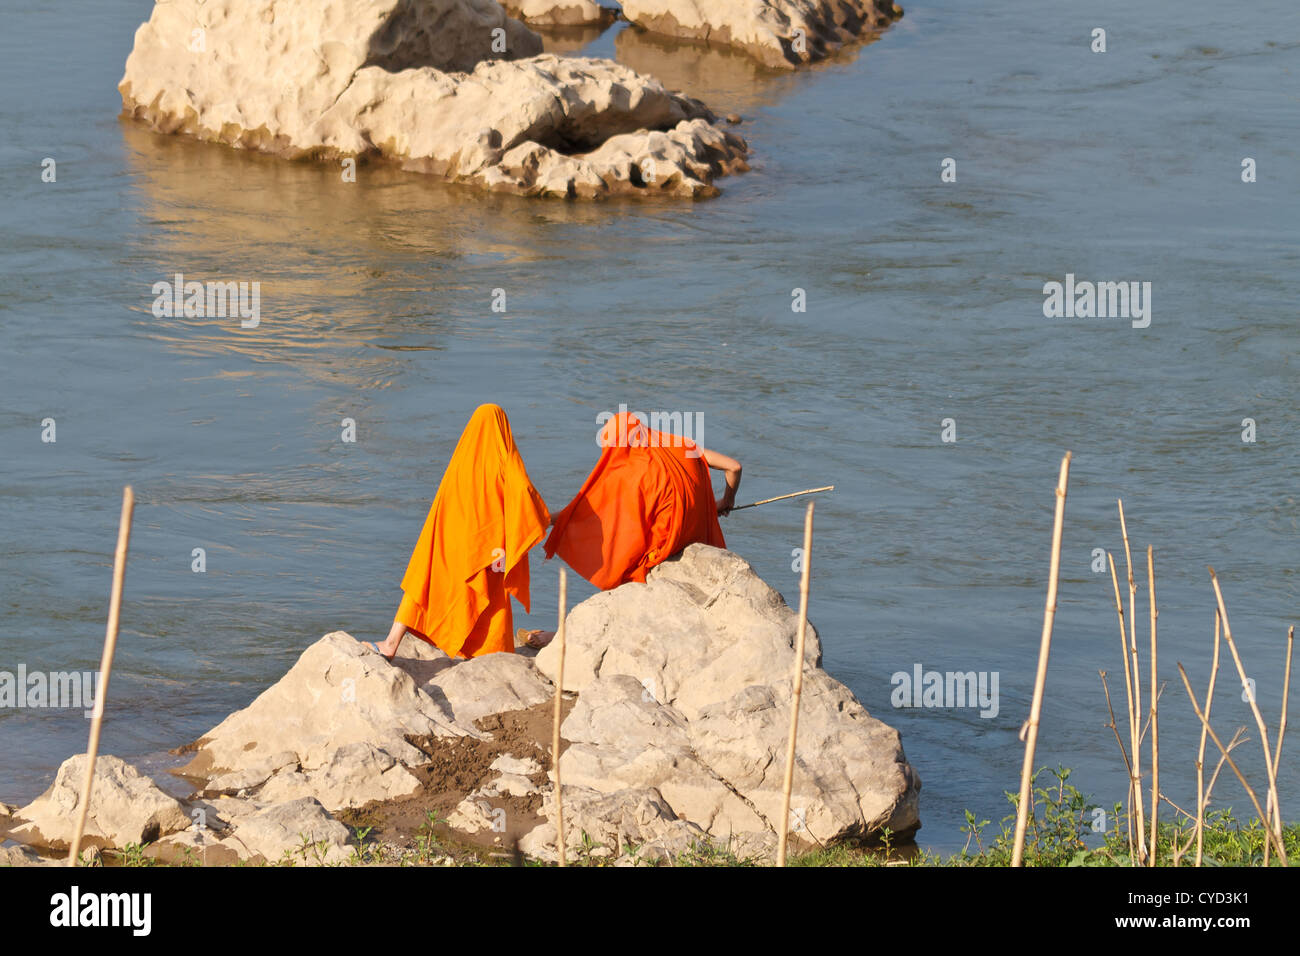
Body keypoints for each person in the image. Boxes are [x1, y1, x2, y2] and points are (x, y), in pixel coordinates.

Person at [519, 410, 741, 647]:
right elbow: (734, 467)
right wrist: (726, 501)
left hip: (666, 546)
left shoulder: (632, 470)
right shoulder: (680, 445)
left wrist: (543, 520)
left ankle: (564, 637)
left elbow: (588, 515)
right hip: (696, 535)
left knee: (618, 567)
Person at [367, 404, 550, 662]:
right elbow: (523, 495)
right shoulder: (504, 457)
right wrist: (552, 518)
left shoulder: (462, 457)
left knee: (423, 582)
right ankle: (492, 652)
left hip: (446, 542)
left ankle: (390, 642)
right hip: (487, 547)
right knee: (492, 588)